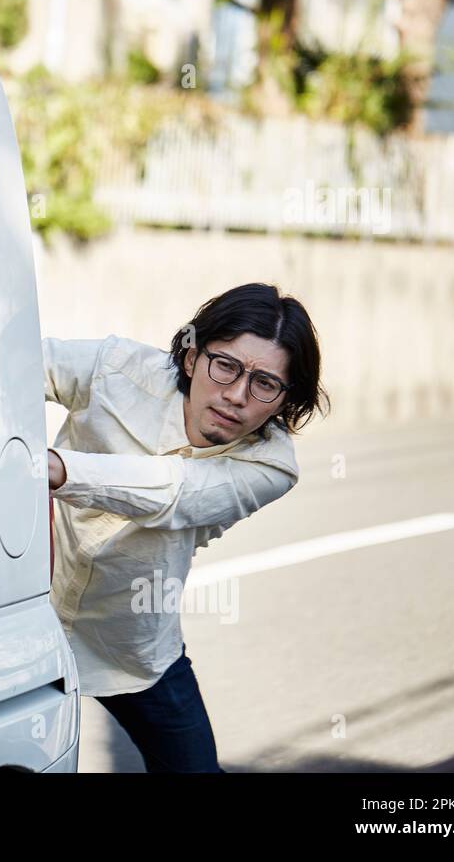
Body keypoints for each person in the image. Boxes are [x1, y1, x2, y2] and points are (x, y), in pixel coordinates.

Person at [44, 282, 329, 772]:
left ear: (284, 400)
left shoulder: (273, 466)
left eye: (265, 384)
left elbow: (173, 491)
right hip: (28, 619)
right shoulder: (115, 367)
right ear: (193, 357)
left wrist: (56, 469)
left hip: (135, 650)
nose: (236, 395)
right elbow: (11, 368)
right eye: (226, 366)